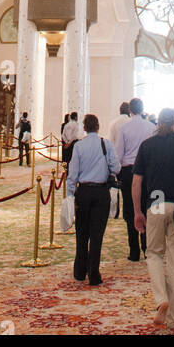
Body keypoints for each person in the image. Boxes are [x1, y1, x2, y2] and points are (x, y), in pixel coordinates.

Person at [132, 108, 174, 330]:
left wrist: (137, 212)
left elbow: (136, 183)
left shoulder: (147, 145)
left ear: (158, 123)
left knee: (153, 253)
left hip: (155, 204)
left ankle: (160, 297)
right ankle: (172, 318)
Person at [67, 114, 120, 287]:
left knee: (82, 232)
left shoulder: (79, 146)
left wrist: (70, 195)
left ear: (84, 128)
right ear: (98, 126)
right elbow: (116, 167)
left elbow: (72, 174)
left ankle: (80, 271)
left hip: (83, 192)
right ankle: (94, 273)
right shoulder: (106, 144)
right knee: (97, 235)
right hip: (100, 192)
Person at [113, 97, 155, 261]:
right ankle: (147, 247)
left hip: (129, 172)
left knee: (130, 211)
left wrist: (117, 173)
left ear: (130, 110)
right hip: (147, 172)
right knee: (147, 208)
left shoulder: (124, 128)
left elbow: (119, 154)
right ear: (142, 109)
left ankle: (134, 251)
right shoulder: (151, 127)